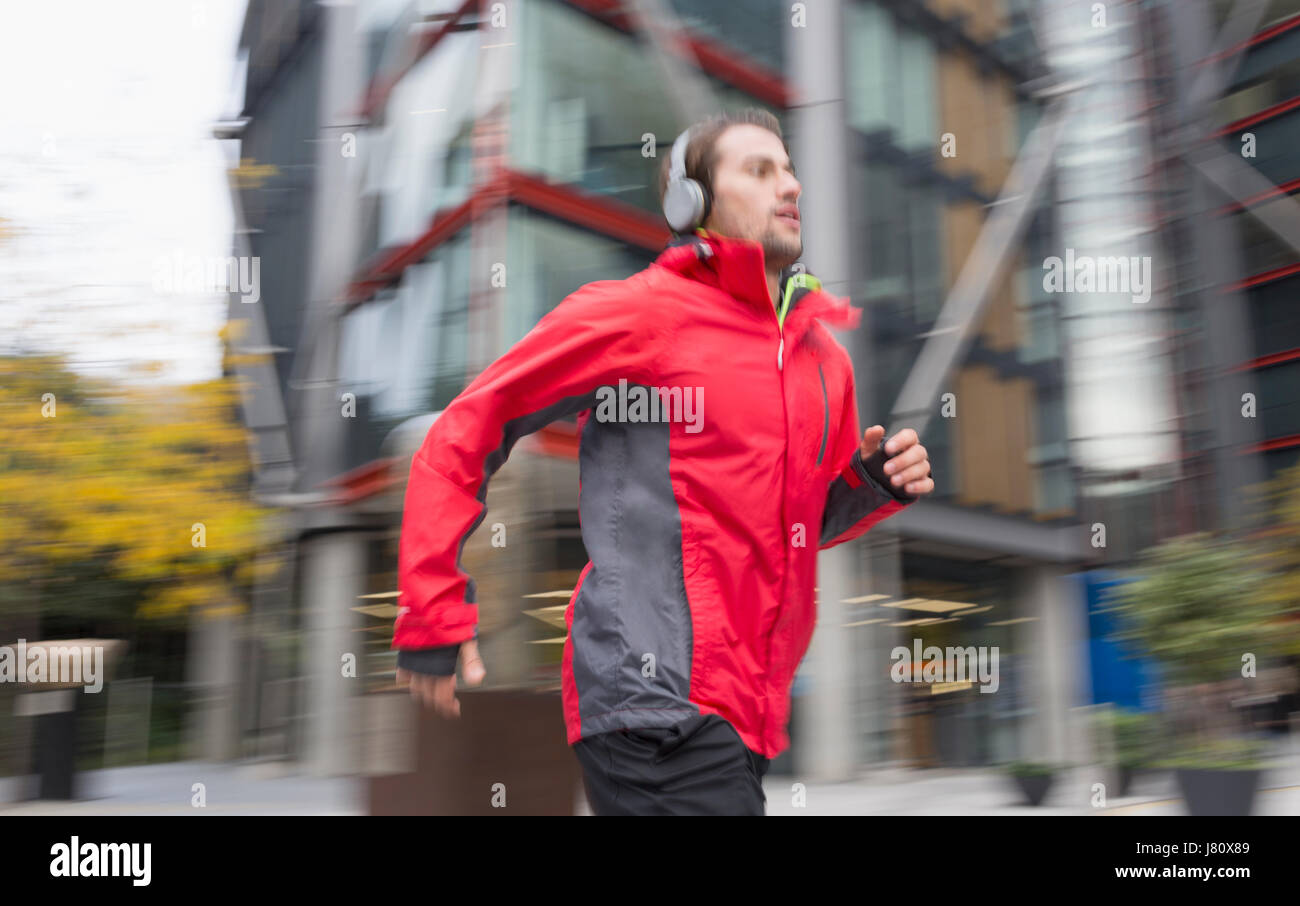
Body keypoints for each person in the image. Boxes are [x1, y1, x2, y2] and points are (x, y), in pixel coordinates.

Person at [394, 108, 934, 815]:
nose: (791, 185)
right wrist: (432, 611)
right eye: (760, 169)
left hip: (749, 715)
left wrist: (870, 486)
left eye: (790, 168)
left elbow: (795, 527)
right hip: (648, 699)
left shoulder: (823, 360)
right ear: (694, 204)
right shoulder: (639, 316)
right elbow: (469, 425)